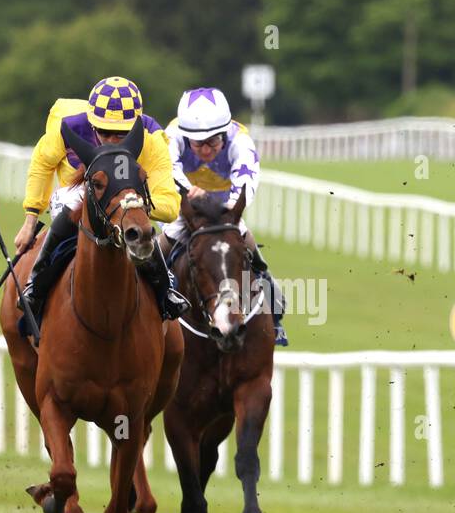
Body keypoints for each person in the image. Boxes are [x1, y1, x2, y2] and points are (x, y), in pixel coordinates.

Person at [16, 76, 187, 324]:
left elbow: (170, 206)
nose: (112, 142)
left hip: (128, 201)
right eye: (105, 133)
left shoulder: (152, 138)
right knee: (72, 203)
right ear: (92, 125)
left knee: (142, 228)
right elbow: (43, 162)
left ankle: (166, 291)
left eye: (121, 135)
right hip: (80, 191)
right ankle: (36, 283)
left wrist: (131, 205)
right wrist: (30, 219)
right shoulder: (69, 127)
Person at [164, 87, 287, 346]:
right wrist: (190, 196)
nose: (206, 150)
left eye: (214, 141)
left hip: (225, 209)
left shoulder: (241, 141)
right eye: (198, 143)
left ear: (225, 132)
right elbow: (167, 171)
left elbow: (245, 185)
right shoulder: (172, 136)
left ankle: (273, 310)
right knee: (158, 247)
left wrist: (221, 211)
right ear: (187, 136)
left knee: (247, 244)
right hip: (184, 206)